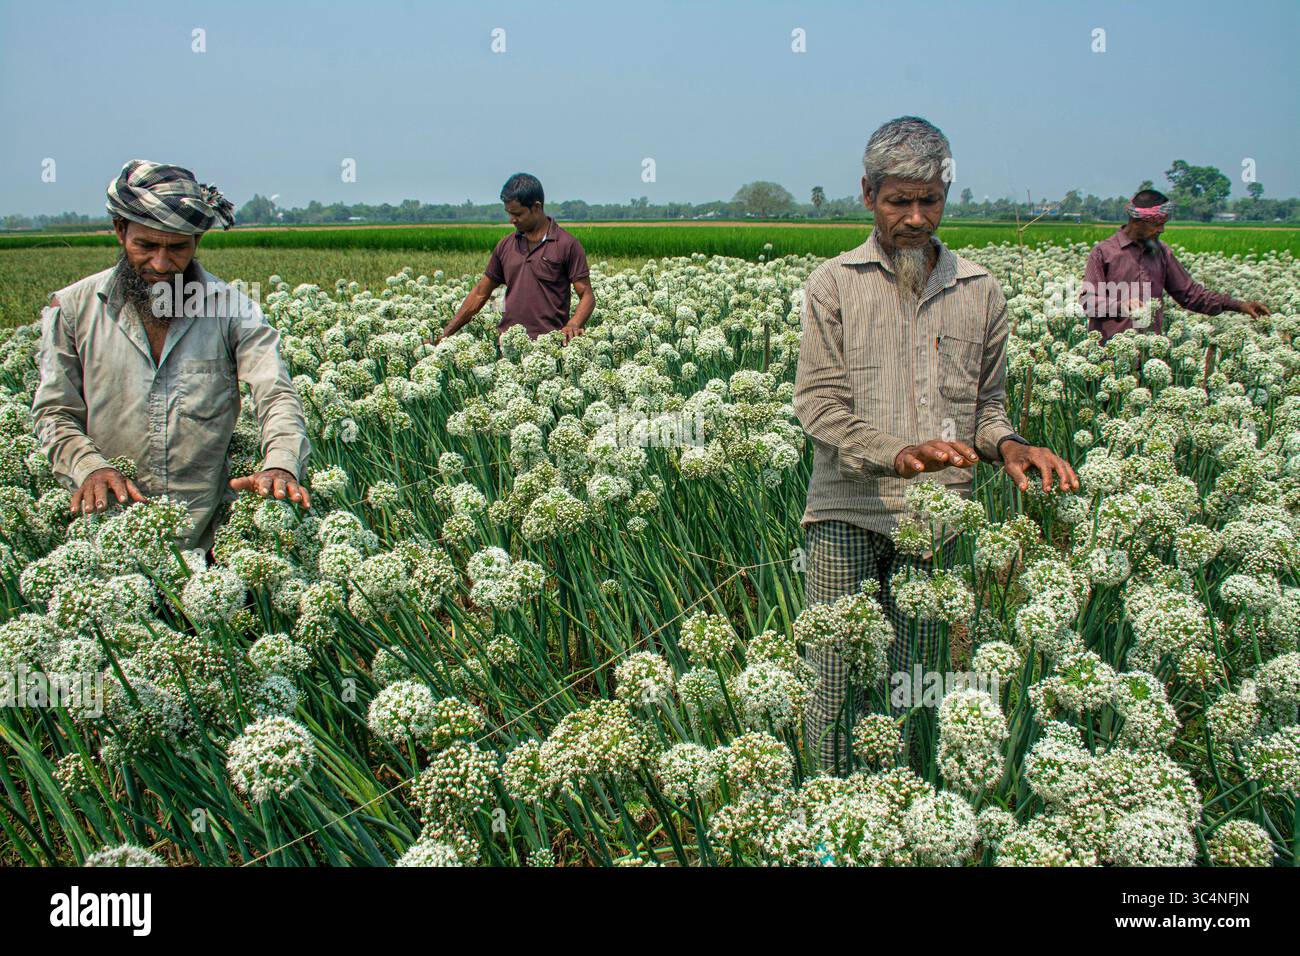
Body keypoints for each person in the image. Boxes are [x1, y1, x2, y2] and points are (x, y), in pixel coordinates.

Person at [793, 116, 1078, 775]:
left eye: (931, 201)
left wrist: (1009, 446)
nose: (916, 218)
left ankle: (902, 807)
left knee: (912, 682)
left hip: (937, 520)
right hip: (846, 510)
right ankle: (833, 825)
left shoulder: (980, 290)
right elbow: (819, 405)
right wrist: (895, 451)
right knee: (831, 682)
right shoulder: (833, 284)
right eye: (899, 202)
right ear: (867, 194)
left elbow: (986, 408)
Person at [32, 160, 312, 553]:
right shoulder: (74, 309)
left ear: (196, 241)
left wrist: (281, 463)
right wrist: (90, 468)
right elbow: (54, 412)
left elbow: (276, 394)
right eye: (145, 246)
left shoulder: (234, 310)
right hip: (113, 541)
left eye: (177, 247)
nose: (161, 265)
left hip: (210, 541)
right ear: (119, 231)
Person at [1080, 188, 1270, 340]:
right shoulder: (1103, 253)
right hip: (1109, 355)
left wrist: (1239, 305)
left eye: (1164, 223)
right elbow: (1088, 301)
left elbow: (1190, 294)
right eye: (1156, 224)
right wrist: (1121, 305)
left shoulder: (1161, 252)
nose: (1161, 230)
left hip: (1149, 355)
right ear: (1137, 221)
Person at [437, 173, 595, 343]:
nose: (511, 220)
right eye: (509, 213)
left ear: (536, 207)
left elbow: (587, 295)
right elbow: (480, 294)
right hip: (508, 347)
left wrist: (574, 323)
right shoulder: (506, 246)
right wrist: (444, 336)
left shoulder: (566, 244)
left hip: (550, 346)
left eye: (517, 214)